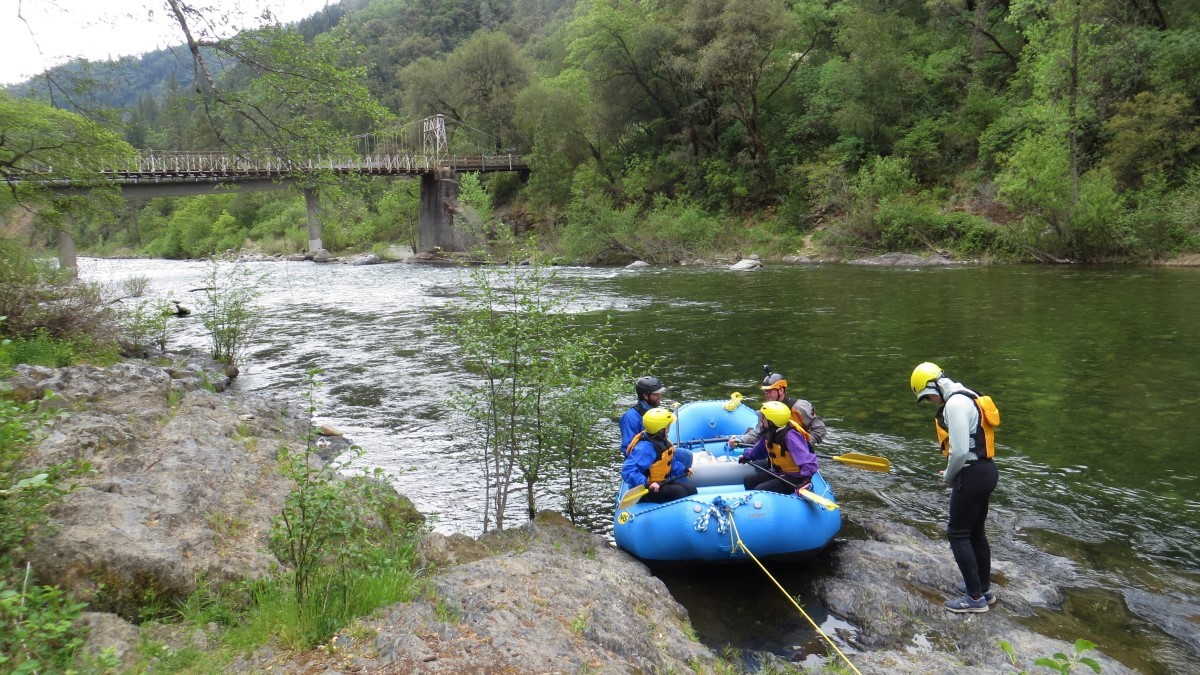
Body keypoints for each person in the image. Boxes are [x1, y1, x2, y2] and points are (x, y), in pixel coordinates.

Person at [911, 361, 1001, 614]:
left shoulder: (955, 404)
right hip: (986, 471)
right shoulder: (970, 396)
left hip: (971, 476)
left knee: (958, 533)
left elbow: (960, 451)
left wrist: (950, 475)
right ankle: (983, 589)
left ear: (934, 386)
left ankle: (974, 599)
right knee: (976, 533)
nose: (929, 401)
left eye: (927, 396)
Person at [729, 366, 827, 448]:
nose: (766, 394)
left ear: (781, 390)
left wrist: (805, 445)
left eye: (770, 391)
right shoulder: (767, 410)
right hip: (776, 457)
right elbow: (758, 434)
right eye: (765, 391)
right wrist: (741, 441)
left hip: (798, 457)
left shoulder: (799, 408)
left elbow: (820, 429)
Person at [738, 400, 819, 494]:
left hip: (796, 477)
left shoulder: (791, 436)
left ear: (772, 421)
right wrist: (746, 456)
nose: (761, 421)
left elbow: (807, 460)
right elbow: (758, 450)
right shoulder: (770, 433)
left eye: (764, 418)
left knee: (760, 489)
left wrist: (806, 480)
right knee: (748, 480)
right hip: (779, 473)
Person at [621, 407, 697, 504]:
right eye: (668, 426)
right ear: (660, 429)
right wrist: (646, 484)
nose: (669, 429)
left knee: (692, 490)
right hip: (647, 489)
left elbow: (670, 463)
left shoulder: (662, 441)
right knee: (680, 492)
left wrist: (683, 469)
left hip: (661, 482)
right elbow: (627, 470)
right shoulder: (645, 448)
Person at [619, 376, 665, 452]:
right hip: (645, 458)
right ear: (645, 396)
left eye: (660, 393)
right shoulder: (630, 418)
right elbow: (628, 448)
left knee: (685, 455)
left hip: (657, 452)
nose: (660, 397)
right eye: (656, 394)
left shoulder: (654, 412)